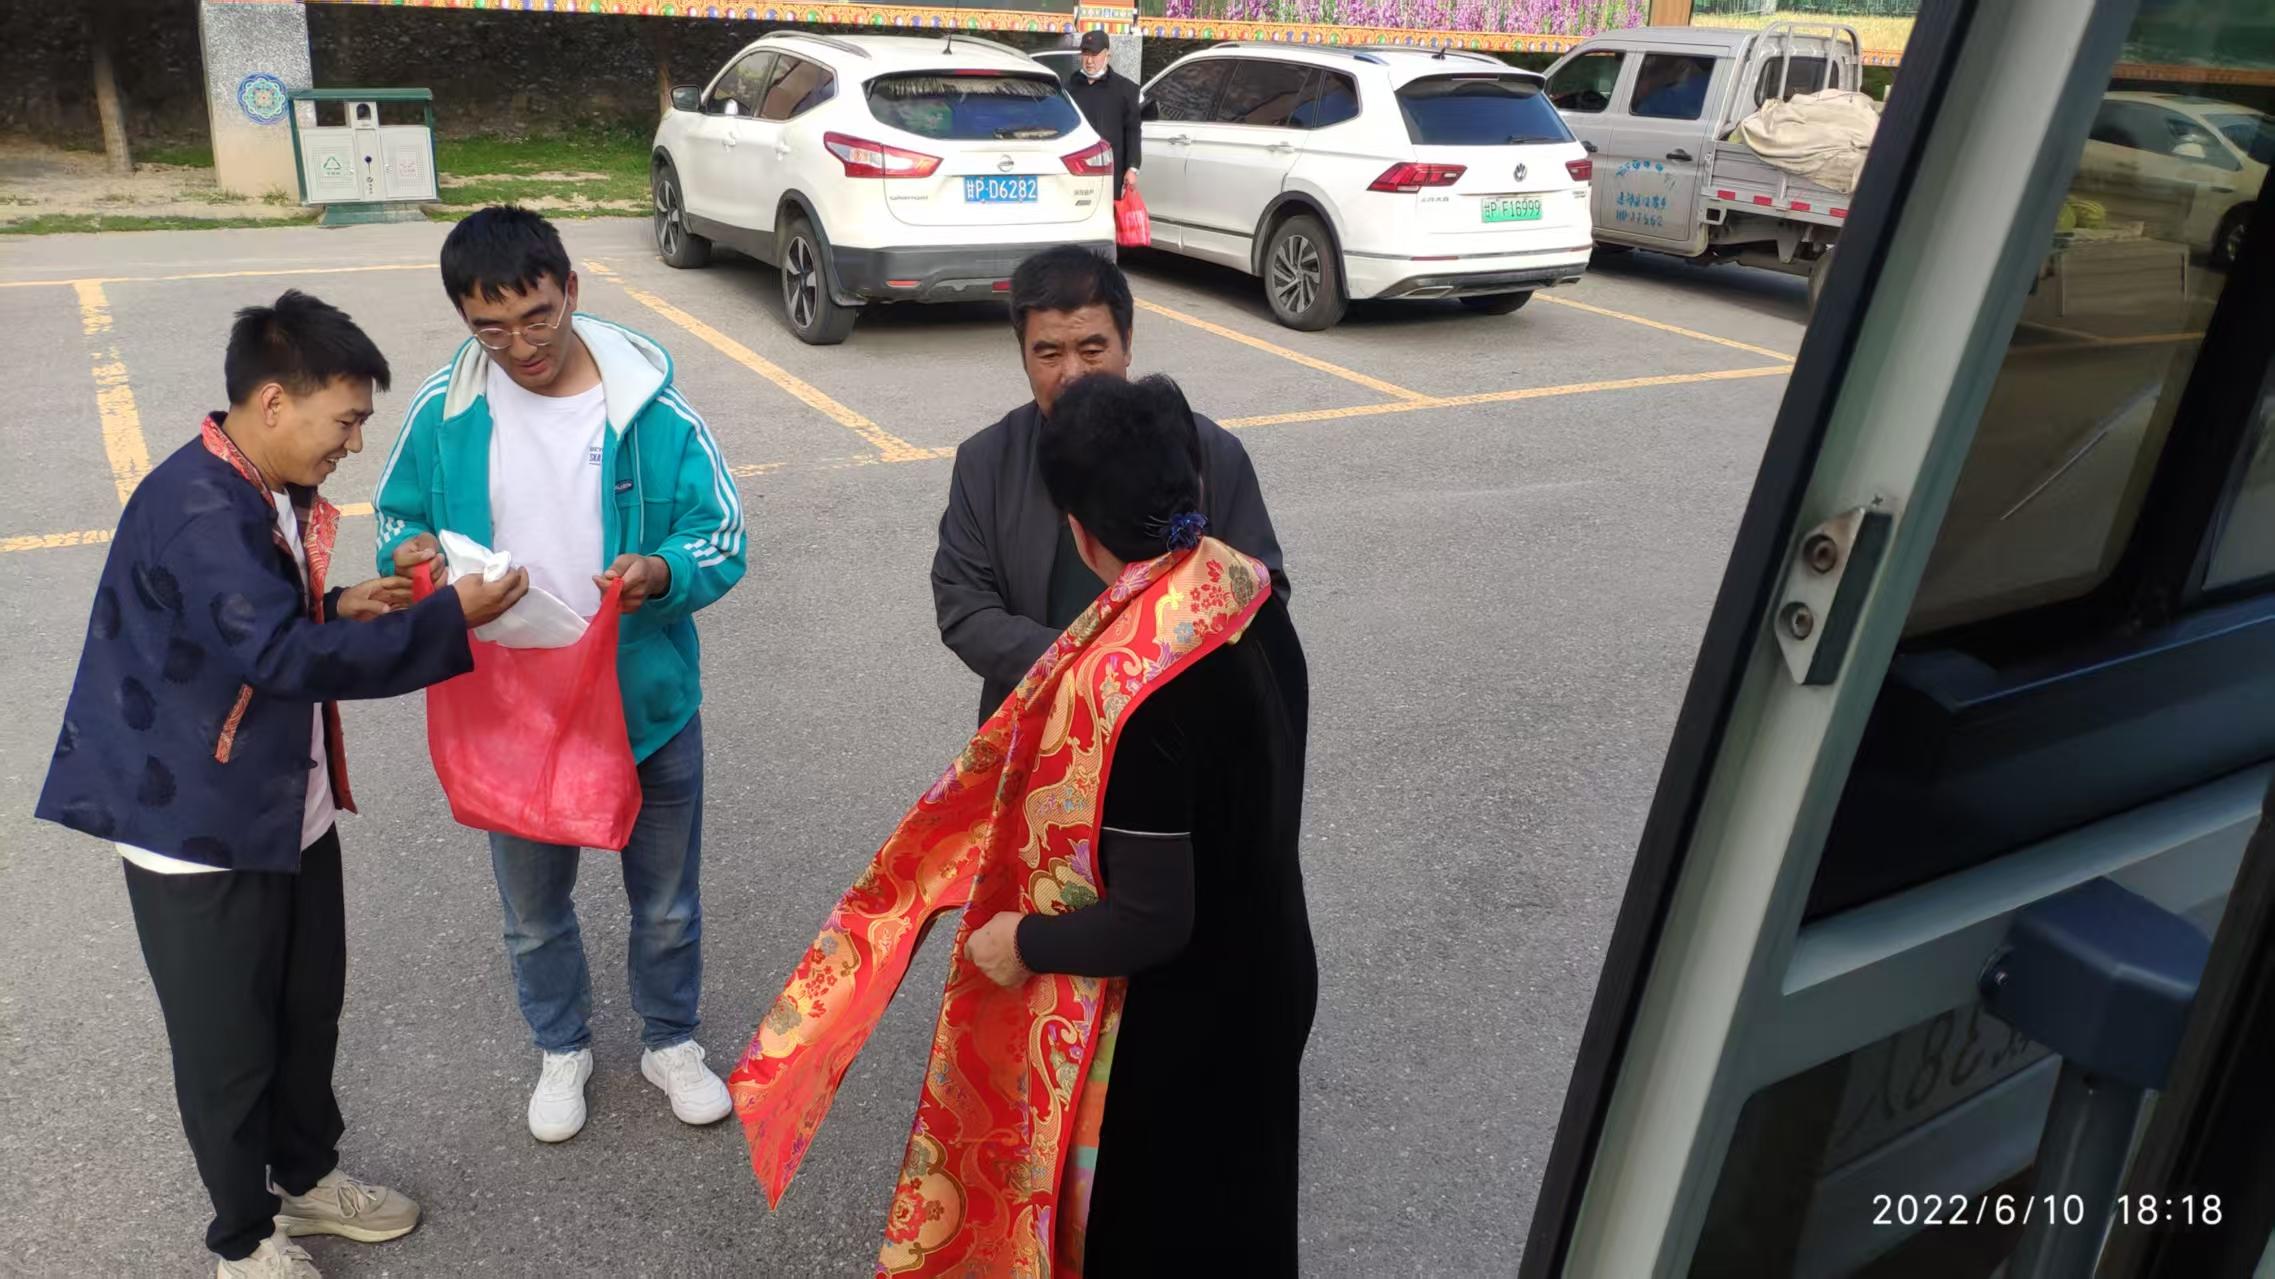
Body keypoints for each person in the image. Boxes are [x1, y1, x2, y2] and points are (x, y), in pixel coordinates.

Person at [727, 373, 1313, 1276]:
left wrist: (1020, 941)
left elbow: (1153, 918)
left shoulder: (1130, 685)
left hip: (1182, 1023)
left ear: (1078, 531)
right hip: (1271, 959)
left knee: (1163, 1231)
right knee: (1250, 1204)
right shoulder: (1243, 589)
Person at [36, 291, 528, 1278]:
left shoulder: (257, 483)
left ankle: (304, 1178)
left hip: (280, 803)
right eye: (345, 420)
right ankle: (243, 1240)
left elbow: (255, 625)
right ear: (273, 402)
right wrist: (446, 620)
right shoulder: (197, 509)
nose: (353, 444)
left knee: (306, 1013)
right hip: (195, 827)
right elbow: (275, 655)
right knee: (228, 1048)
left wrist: (336, 602)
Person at [371, 206, 747, 1144]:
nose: (521, 345)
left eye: (537, 315)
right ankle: (560, 1046)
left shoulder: (650, 408)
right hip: (509, 708)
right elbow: (398, 514)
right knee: (533, 912)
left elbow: (720, 534)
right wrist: (410, 553)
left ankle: (670, 1040)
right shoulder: (445, 410)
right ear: (464, 318)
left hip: (643, 700)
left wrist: (661, 571)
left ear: (571, 288)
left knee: (665, 902)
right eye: (490, 328)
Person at [932, 245, 1289, 723]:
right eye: (1049, 354)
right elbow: (965, 608)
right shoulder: (986, 462)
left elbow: (1263, 591)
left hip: (1183, 722)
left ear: (1128, 343)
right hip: (1040, 724)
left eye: (1092, 350)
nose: (1072, 374)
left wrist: (1145, 670)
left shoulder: (1209, 451)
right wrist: (1091, 669)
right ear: (1023, 356)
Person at [1063, 29, 1141, 202]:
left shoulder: (1126, 90)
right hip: (1077, 170)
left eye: (1095, 54)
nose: (1089, 60)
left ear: (1107, 55)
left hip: (1112, 172)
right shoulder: (1068, 89)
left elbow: (1133, 131)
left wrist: (1132, 167)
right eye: (1085, 54)